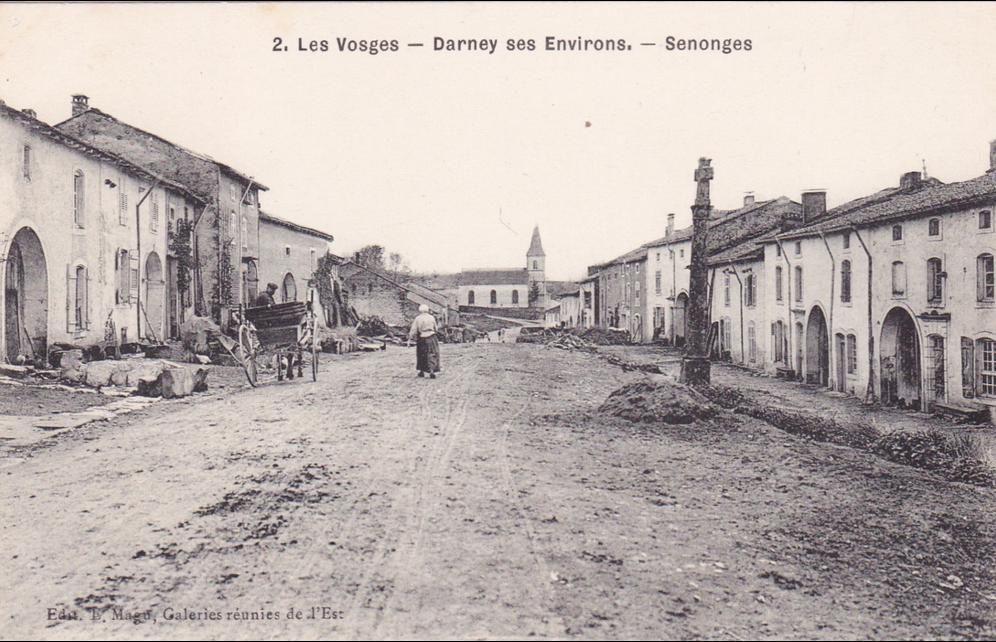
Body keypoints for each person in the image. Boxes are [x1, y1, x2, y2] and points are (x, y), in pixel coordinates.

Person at [408, 304, 440, 378]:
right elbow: (436, 328)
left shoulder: (418, 318)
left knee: (421, 354)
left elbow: (414, 330)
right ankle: (432, 371)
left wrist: (410, 339)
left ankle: (421, 371)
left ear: (420, 310)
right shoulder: (432, 318)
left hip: (422, 337)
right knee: (432, 353)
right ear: (427, 310)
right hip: (431, 337)